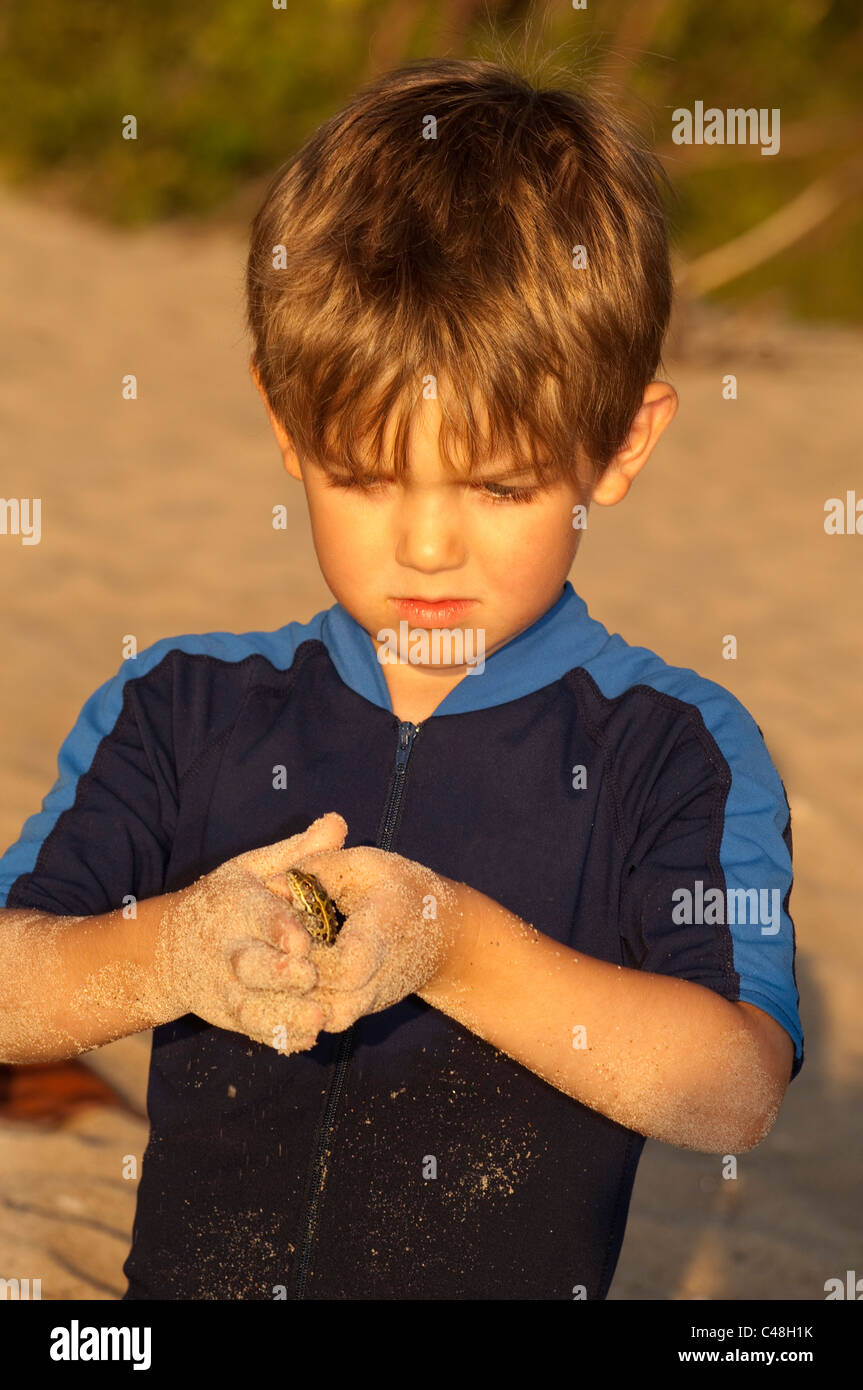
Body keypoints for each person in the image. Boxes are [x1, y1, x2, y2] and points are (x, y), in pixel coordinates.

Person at [0, 57, 803, 1300]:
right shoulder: (180, 708)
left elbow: (733, 1090)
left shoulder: (669, 746)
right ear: (285, 420)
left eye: (498, 486)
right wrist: (169, 953)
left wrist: (449, 945)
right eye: (365, 477)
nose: (427, 545)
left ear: (619, 443)